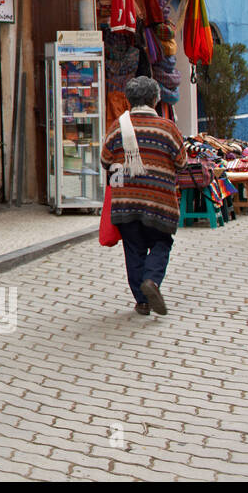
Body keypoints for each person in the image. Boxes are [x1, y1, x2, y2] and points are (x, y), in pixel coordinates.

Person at [100, 75, 188, 316]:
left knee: (134, 249)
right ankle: (152, 281)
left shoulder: (118, 127)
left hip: (126, 203)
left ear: (129, 100)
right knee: (162, 243)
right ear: (155, 99)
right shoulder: (168, 128)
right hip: (160, 203)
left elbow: (105, 160)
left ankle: (142, 301)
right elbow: (181, 162)